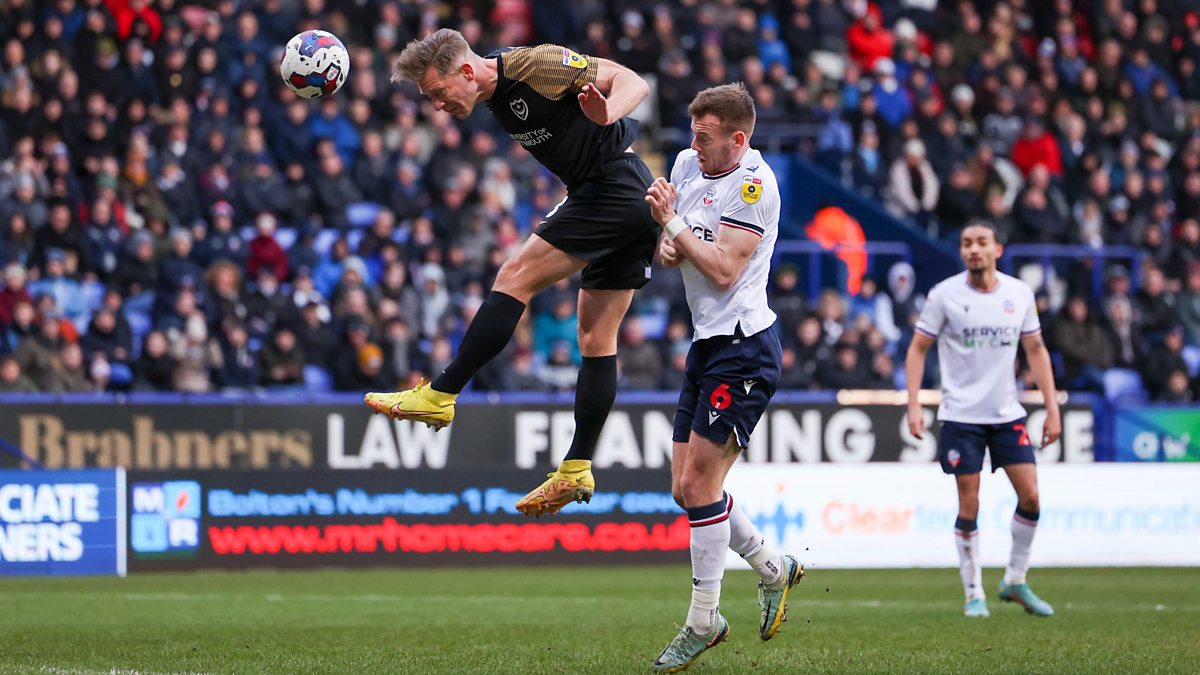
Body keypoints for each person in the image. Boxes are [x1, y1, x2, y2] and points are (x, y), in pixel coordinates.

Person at [364, 29, 659, 517]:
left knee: (514, 276)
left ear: (464, 71)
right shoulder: (492, 92)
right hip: (624, 199)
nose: (437, 107)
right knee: (596, 337)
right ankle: (576, 467)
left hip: (613, 188)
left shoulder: (534, 66)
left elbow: (631, 80)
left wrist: (609, 110)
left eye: (438, 94)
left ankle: (440, 394)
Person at [643, 83, 802, 673]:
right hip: (706, 343)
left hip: (744, 346)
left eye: (705, 136)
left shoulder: (755, 186)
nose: (693, 145)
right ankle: (772, 568)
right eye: (692, 132)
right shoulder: (688, 165)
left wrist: (673, 225)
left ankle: (702, 620)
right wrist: (668, 237)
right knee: (685, 489)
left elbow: (726, 269)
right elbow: (675, 253)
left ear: (738, 138)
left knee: (703, 485)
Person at [904, 220, 1061, 619]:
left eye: (981, 242)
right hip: (961, 417)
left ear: (997, 250)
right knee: (969, 503)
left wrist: (1051, 407)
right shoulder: (945, 295)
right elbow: (918, 348)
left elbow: (1037, 350)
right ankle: (974, 593)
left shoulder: (1019, 294)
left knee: (1031, 497)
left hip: (1008, 414)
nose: (974, 249)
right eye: (967, 243)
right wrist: (914, 404)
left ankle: (1015, 579)